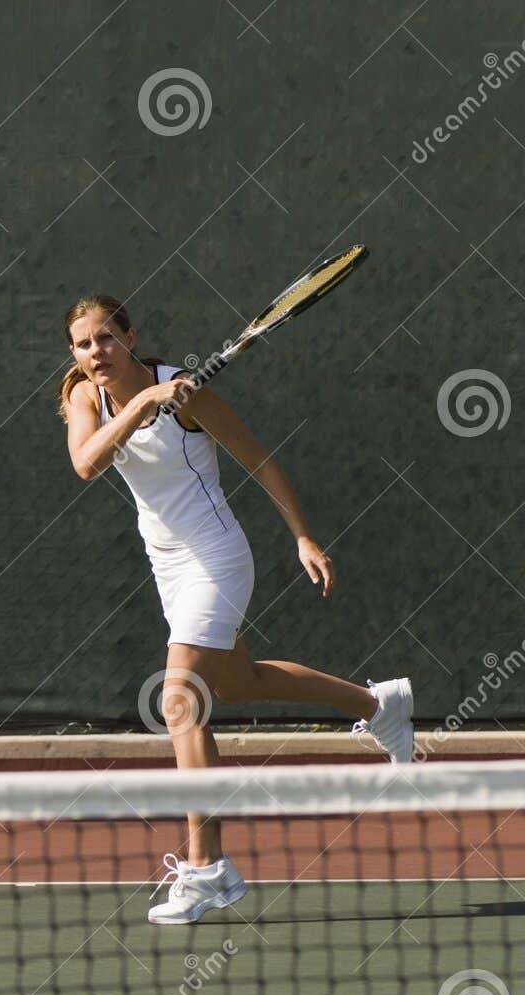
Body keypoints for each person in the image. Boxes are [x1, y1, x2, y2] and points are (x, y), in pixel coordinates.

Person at [59, 294, 413, 925]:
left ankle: (207, 867)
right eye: (84, 344)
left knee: (180, 701)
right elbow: (86, 463)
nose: (96, 352)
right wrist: (141, 404)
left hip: (217, 559)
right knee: (238, 682)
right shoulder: (87, 396)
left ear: (131, 338)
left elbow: (259, 460)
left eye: (106, 338)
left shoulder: (188, 398)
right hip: (167, 566)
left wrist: (302, 536)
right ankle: (377, 705)